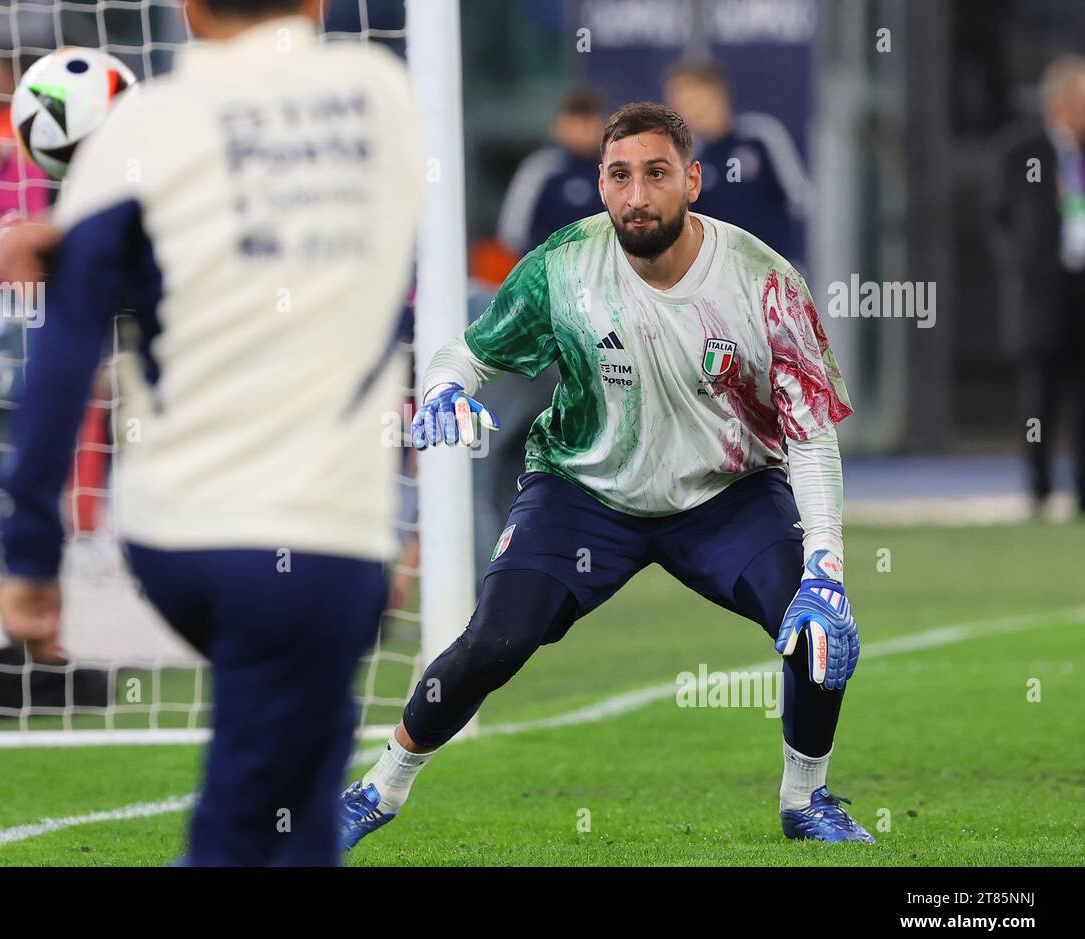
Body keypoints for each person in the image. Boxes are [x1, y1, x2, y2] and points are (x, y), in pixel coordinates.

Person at [341, 102, 873, 849]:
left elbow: (811, 437)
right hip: (584, 492)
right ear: (600, 185)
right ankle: (376, 792)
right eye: (620, 176)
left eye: (656, 174)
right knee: (494, 640)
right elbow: (467, 354)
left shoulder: (764, 282)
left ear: (691, 180)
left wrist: (827, 566)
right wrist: (442, 392)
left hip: (725, 495)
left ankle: (805, 800)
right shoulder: (563, 265)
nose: (637, 195)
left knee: (817, 628)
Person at [0, 0, 422, 866]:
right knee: (246, 817)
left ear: (187, 8)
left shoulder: (140, 126)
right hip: (311, 533)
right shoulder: (385, 92)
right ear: (318, 4)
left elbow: (67, 348)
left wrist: (31, 556)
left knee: (300, 788)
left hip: (171, 534)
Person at [1001, 55, 1085, 516]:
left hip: (1083, 287)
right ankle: (1039, 489)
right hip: (1045, 294)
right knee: (1042, 396)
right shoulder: (1023, 152)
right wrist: (1026, 265)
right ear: (1060, 102)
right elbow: (1000, 218)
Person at [663, 60, 809, 265]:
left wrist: (796, 264)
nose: (683, 109)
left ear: (716, 94)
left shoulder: (760, 137)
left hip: (774, 277)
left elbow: (801, 202)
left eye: (690, 99)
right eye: (676, 102)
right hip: (721, 282)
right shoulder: (685, 158)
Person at [497, 87, 608, 258]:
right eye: (577, 121)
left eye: (590, 122)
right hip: (548, 272)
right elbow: (513, 232)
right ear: (559, 126)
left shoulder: (612, 169)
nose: (584, 130)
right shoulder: (541, 168)